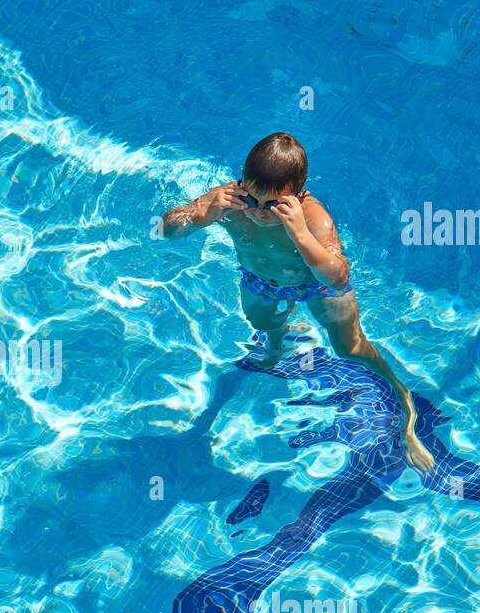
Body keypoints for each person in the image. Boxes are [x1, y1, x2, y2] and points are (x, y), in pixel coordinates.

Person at [160, 132, 435, 472]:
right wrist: (203, 215)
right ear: (242, 184)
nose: (259, 213)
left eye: (273, 206)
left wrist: (300, 233)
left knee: (350, 348)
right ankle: (278, 346)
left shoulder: (314, 217)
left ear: (298, 197)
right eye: (252, 200)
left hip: (316, 288)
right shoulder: (227, 201)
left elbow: (337, 277)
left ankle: (405, 405)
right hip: (260, 283)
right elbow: (165, 230)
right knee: (264, 325)